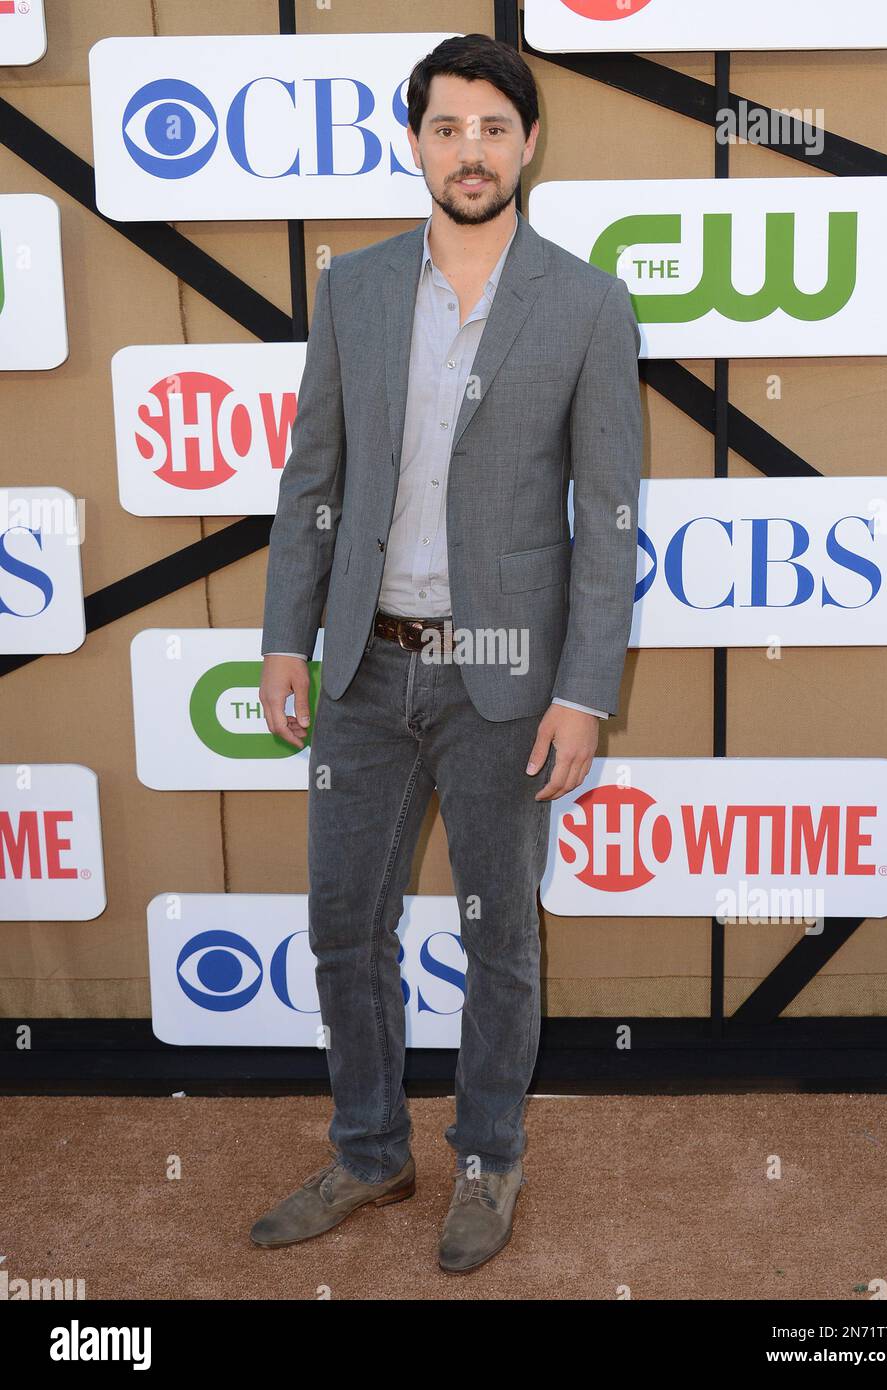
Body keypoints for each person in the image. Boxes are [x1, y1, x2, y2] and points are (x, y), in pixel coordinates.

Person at [251, 31, 641, 1275]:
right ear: (414, 142)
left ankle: (488, 1153)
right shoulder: (355, 289)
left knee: (500, 935)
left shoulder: (587, 301)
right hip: (364, 667)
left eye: (491, 128)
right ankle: (370, 1148)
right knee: (339, 925)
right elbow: (314, 476)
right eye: (444, 127)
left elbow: (607, 517)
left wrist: (584, 690)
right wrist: (282, 642)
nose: (467, 151)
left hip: (508, 677)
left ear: (527, 143)